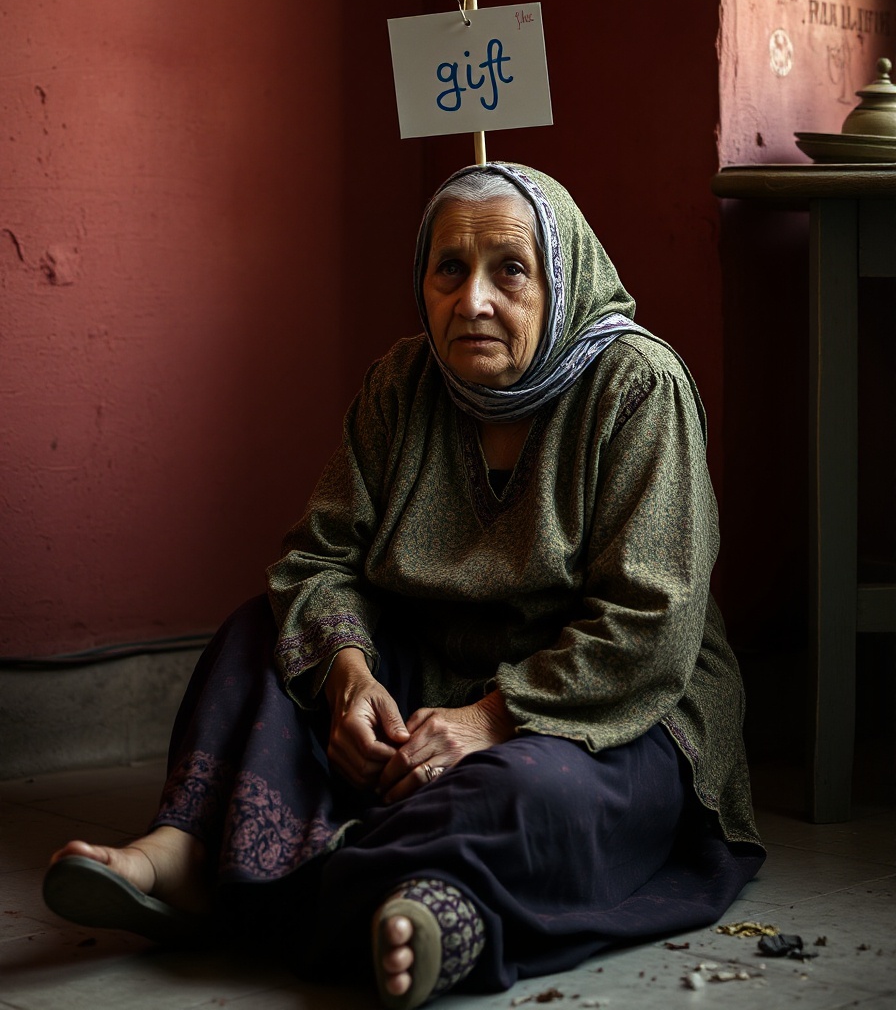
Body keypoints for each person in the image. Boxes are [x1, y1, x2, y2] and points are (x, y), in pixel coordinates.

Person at [44, 163, 764, 1010]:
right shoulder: (402, 384)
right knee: (257, 635)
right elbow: (318, 558)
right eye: (449, 269)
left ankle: (408, 900)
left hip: (611, 709)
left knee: (535, 791)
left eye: (512, 269)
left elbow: (653, 623)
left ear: (563, 274)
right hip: (428, 677)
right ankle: (189, 848)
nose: (475, 302)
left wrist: (490, 721)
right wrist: (350, 678)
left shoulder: (637, 388)